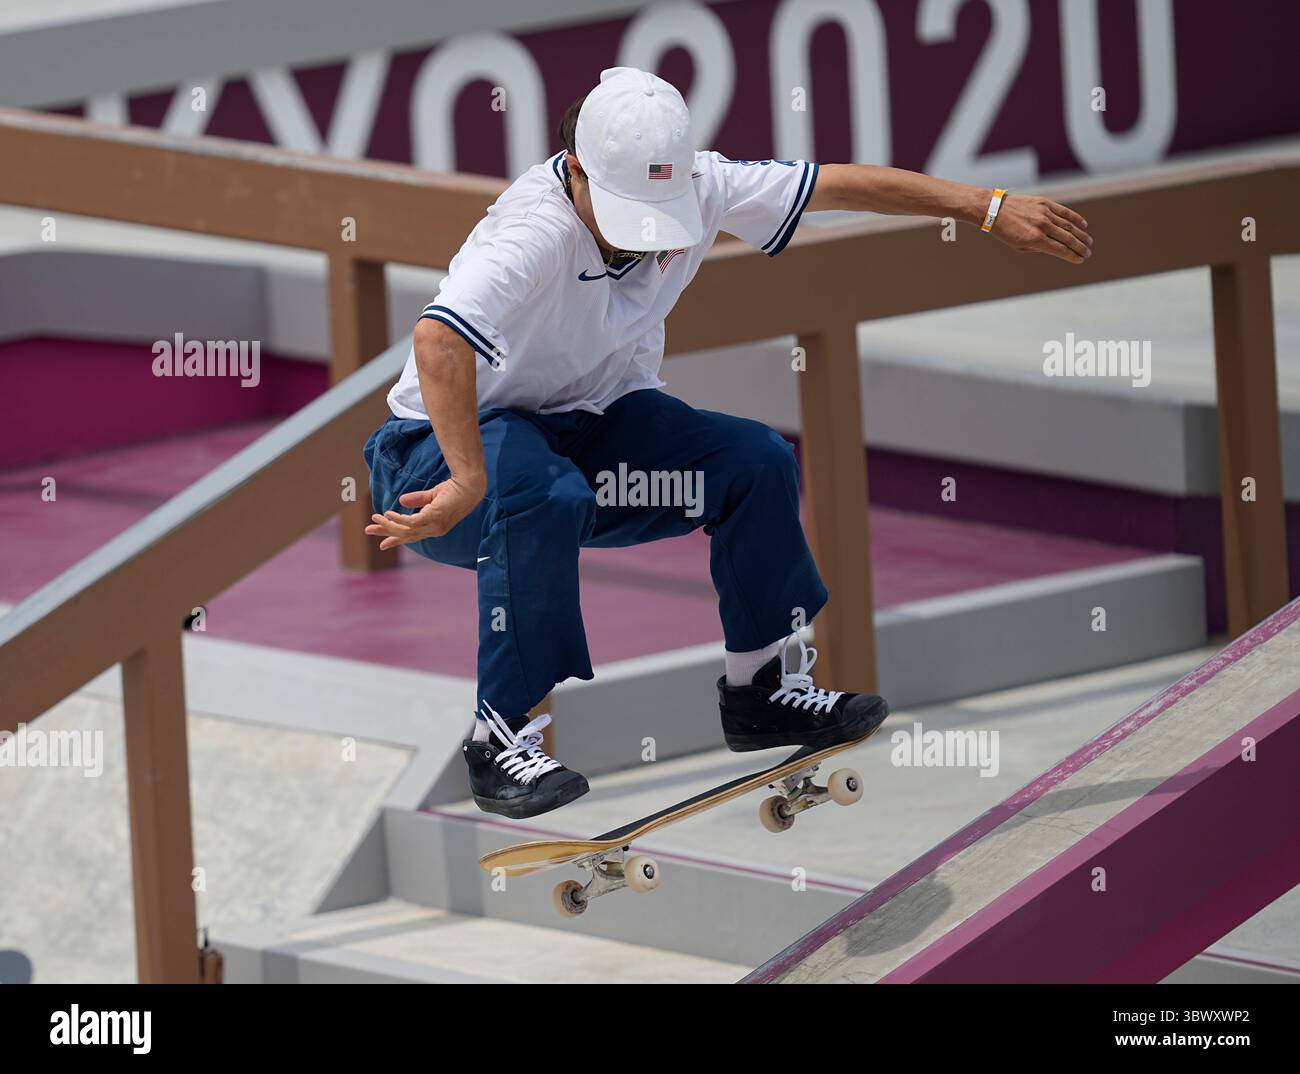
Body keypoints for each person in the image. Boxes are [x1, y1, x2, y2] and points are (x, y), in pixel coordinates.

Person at [364, 67, 1093, 819]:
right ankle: (501, 741)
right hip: (436, 469)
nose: (641, 236)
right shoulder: (531, 230)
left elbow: (836, 186)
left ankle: (762, 691)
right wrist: (464, 479)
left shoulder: (708, 183)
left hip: (592, 442)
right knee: (541, 490)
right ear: (577, 168)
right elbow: (438, 338)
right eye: (624, 212)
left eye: (658, 210)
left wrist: (986, 206)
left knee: (755, 462)